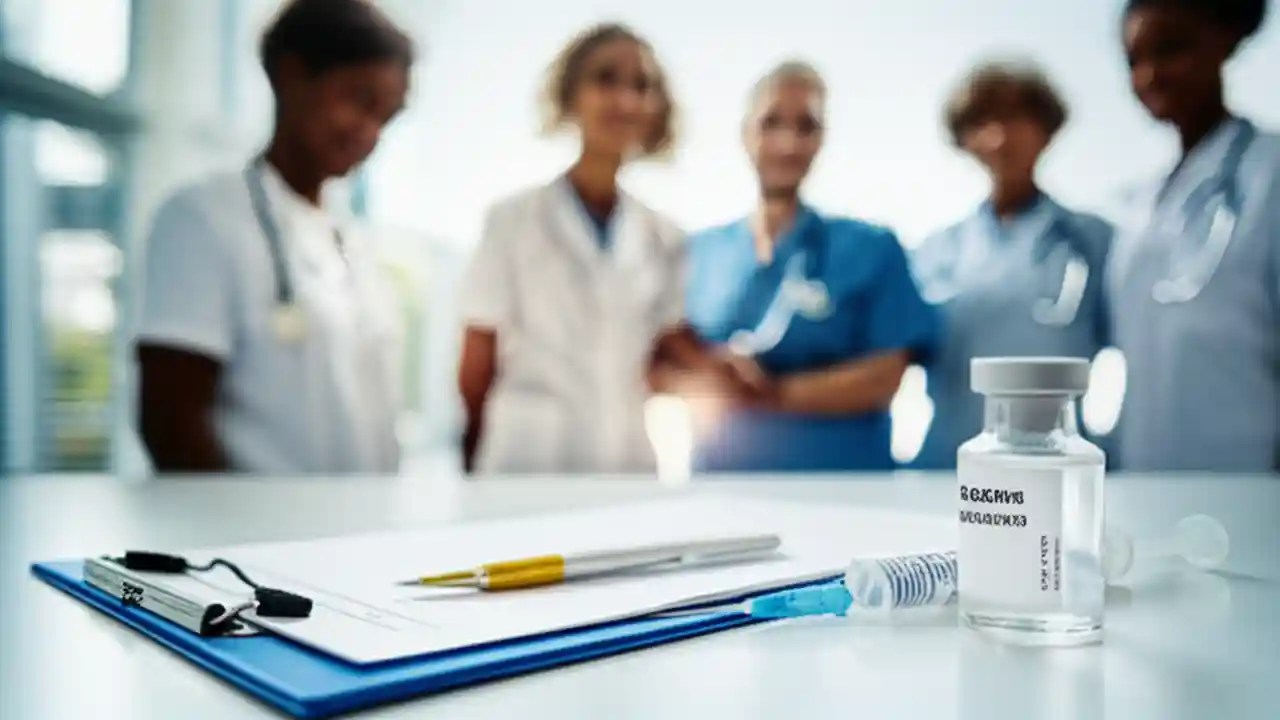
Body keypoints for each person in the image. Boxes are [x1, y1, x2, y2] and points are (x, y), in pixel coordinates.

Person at [135, 0, 413, 473]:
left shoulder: (350, 239)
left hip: (360, 530)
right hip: (255, 536)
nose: (369, 134)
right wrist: (239, 540)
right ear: (291, 76)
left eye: (385, 119)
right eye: (359, 101)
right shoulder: (203, 217)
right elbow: (170, 422)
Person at [457, 24, 742, 474]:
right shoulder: (511, 220)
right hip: (525, 458)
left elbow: (667, 349)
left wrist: (726, 370)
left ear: (656, 108)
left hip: (624, 454)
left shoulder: (665, 237)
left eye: (641, 86)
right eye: (606, 79)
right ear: (571, 95)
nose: (625, 100)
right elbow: (477, 361)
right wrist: (469, 469)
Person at [681, 61, 938, 471]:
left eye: (806, 127)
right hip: (720, 490)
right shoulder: (696, 252)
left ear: (822, 140)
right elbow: (666, 363)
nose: (788, 143)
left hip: (846, 495)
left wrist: (770, 393)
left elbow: (886, 377)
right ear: (745, 133)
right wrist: (711, 373)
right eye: (771, 123)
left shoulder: (871, 249)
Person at [911, 62, 1113, 469]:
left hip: (1058, 467)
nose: (999, 137)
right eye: (982, 121)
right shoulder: (934, 252)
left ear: (1046, 128)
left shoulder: (1093, 241)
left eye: (1016, 118)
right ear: (963, 138)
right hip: (947, 466)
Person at [1110, 0, 1279, 471]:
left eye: (1171, 49)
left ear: (1224, 40)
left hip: (1251, 482)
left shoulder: (1270, 171)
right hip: (1144, 474)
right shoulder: (1138, 203)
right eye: (1134, 61)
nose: (1149, 75)